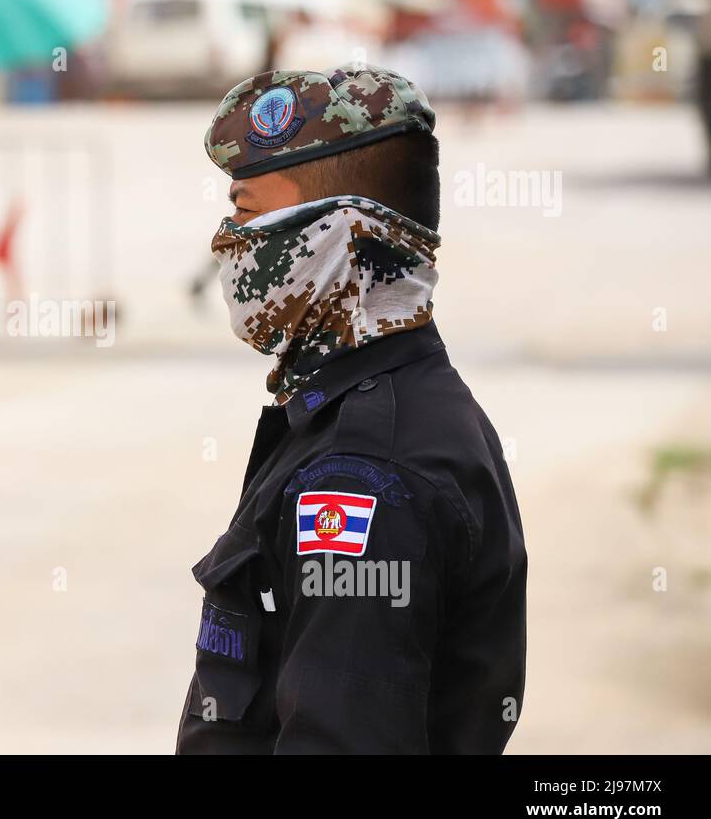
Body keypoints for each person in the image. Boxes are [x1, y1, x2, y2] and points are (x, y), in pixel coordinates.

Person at [176, 63, 527, 754]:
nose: (226, 242)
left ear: (336, 238)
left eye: (246, 216)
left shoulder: (365, 478)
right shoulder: (383, 410)